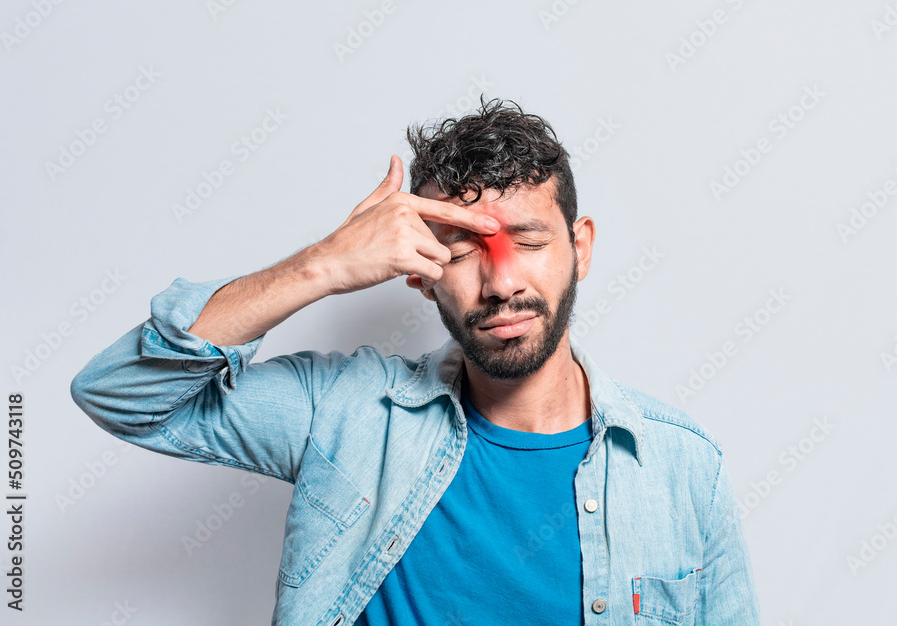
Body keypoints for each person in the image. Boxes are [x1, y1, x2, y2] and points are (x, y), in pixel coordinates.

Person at [71, 96, 761, 625]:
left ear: (580, 246)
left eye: (528, 240)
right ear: (417, 271)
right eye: (461, 251)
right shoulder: (343, 412)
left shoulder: (681, 468)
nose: (503, 281)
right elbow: (122, 392)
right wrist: (322, 266)